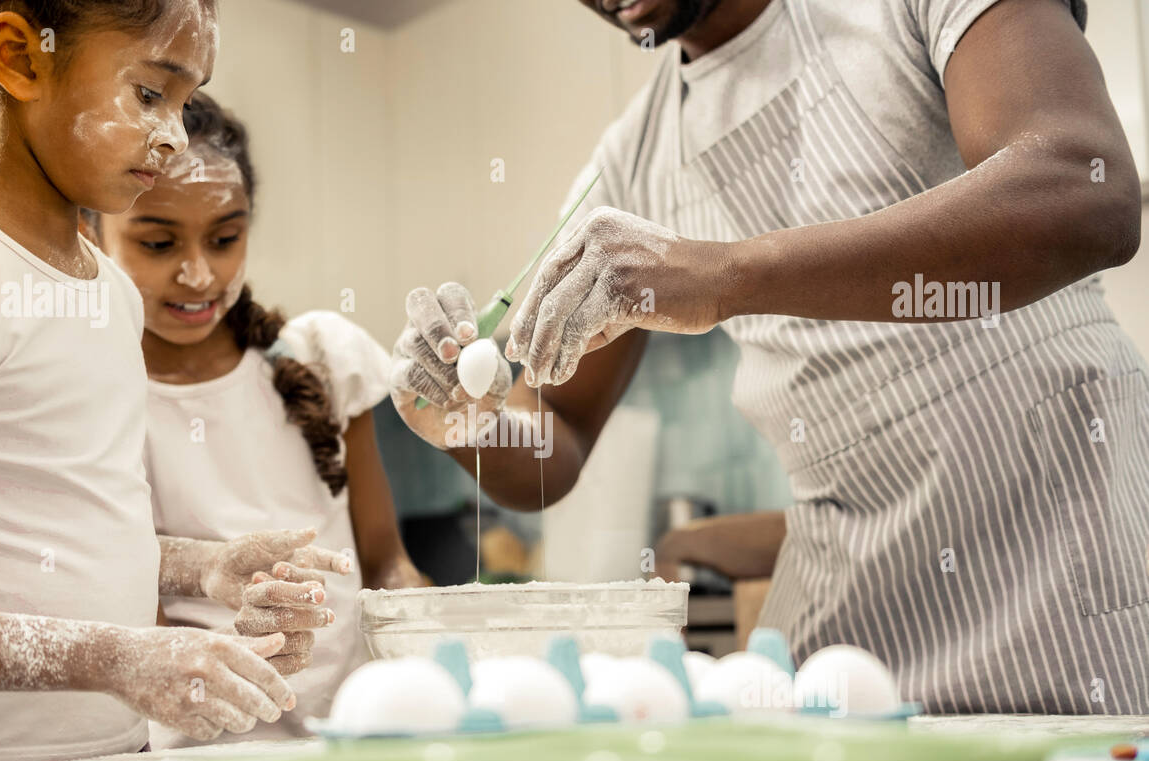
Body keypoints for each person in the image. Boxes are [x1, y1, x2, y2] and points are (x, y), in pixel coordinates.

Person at [391, 0, 1149, 715]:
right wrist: (470, 427)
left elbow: (1081, 191)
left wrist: (725, 276)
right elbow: (559, 436)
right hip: (848, 593)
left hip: (1062, 540)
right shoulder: (629, 161)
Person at [0, 0, 338, 761]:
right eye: (150, 94)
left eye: (186, 102)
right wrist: (116, 657)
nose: (175, 136)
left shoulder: (107, 291)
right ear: (20, 58)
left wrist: (206, 568)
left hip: (109, 757)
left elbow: (68, 528)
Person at [86, 92, 425, 744]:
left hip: (357, 738)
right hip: (203, 756)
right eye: (157, 243)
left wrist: (428, 657)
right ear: (92, 234)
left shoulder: (322, 358)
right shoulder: (96, 398)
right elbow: (136, 614)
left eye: (225, 238)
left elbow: (385, 564)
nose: (198, 273)